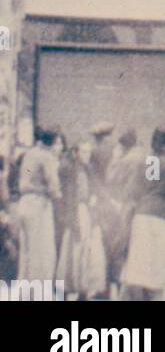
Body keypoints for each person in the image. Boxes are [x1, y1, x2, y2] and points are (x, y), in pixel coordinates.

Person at [121, 127, 165, 300]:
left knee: (143, 269)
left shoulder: (148, 161)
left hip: (142, 216)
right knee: (158, 270)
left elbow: (135, 190)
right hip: (162, 218)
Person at [56, 138, 107, 300]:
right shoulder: (70, 170)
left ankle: (83, 290)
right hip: (76, 211)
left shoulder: (89, 169)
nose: (87, 155)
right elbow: (68, 196)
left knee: (88, 250)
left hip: (87, 211)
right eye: (84, 151)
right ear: (76, 153)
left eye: (89, 152)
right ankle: (68, 289)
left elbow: (96, 189)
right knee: (74, 249)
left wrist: (94, 197)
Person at [14, 126, 62, 285]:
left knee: (26, 251)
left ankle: (24, 290)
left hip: (24, 202)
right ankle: (39, 291)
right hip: (39, 204)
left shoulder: (30, 154)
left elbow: (24, 179)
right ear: (52, 143)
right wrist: (58, 196)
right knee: (43, 252)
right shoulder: (47, 157)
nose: (60, 147)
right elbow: (54, 187)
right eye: (58, 143)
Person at [105, 130, 146, 294]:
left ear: (123, 146)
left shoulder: (124, 160)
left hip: (128, 207)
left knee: (121, 247)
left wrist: (115, 159)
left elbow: (110, 180)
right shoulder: (150, 158)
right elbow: (154, 183)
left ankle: (122, 288)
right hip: (146, 209)